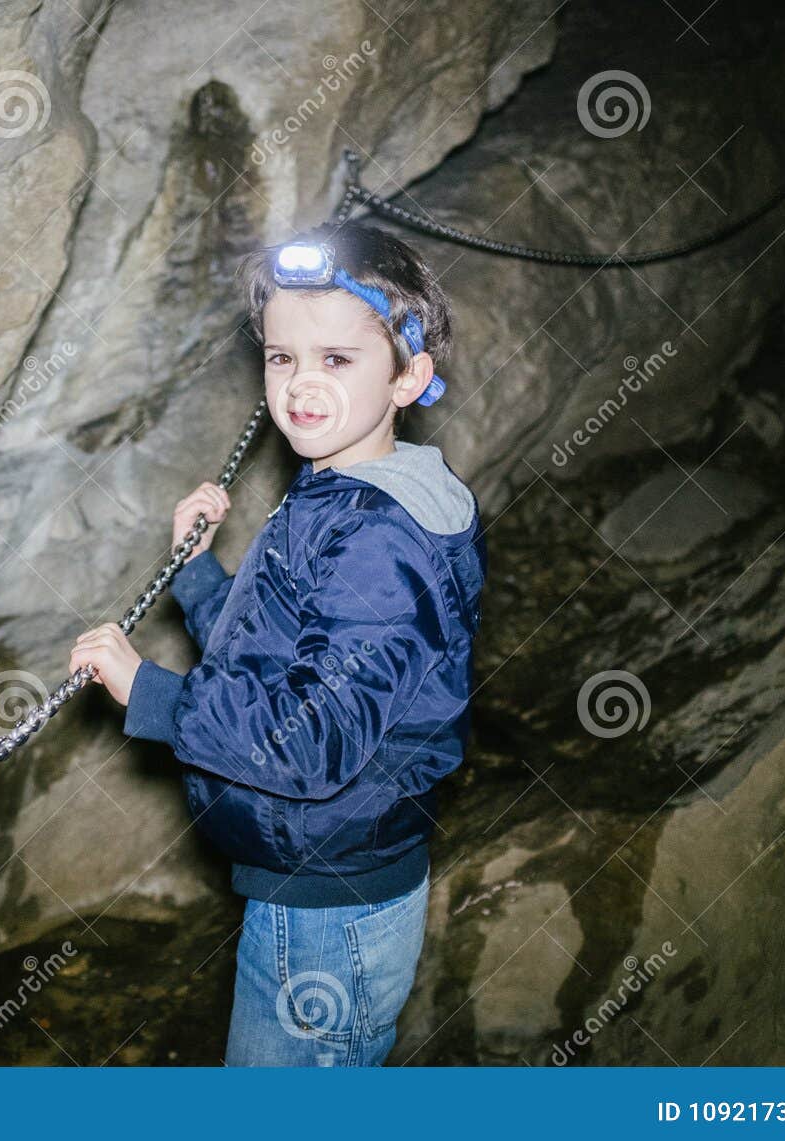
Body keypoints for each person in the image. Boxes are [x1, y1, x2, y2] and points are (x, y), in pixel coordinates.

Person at [68, 220, 486, 1066]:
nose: (300, 384)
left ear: (410, 377)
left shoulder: (378, 537)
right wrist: (196, 576)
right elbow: (280, 654)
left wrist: (149, 691)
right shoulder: (340, 491)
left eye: (337, 359)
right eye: (281, 356)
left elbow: (310, 740)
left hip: (327, 914)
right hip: (318, 883)